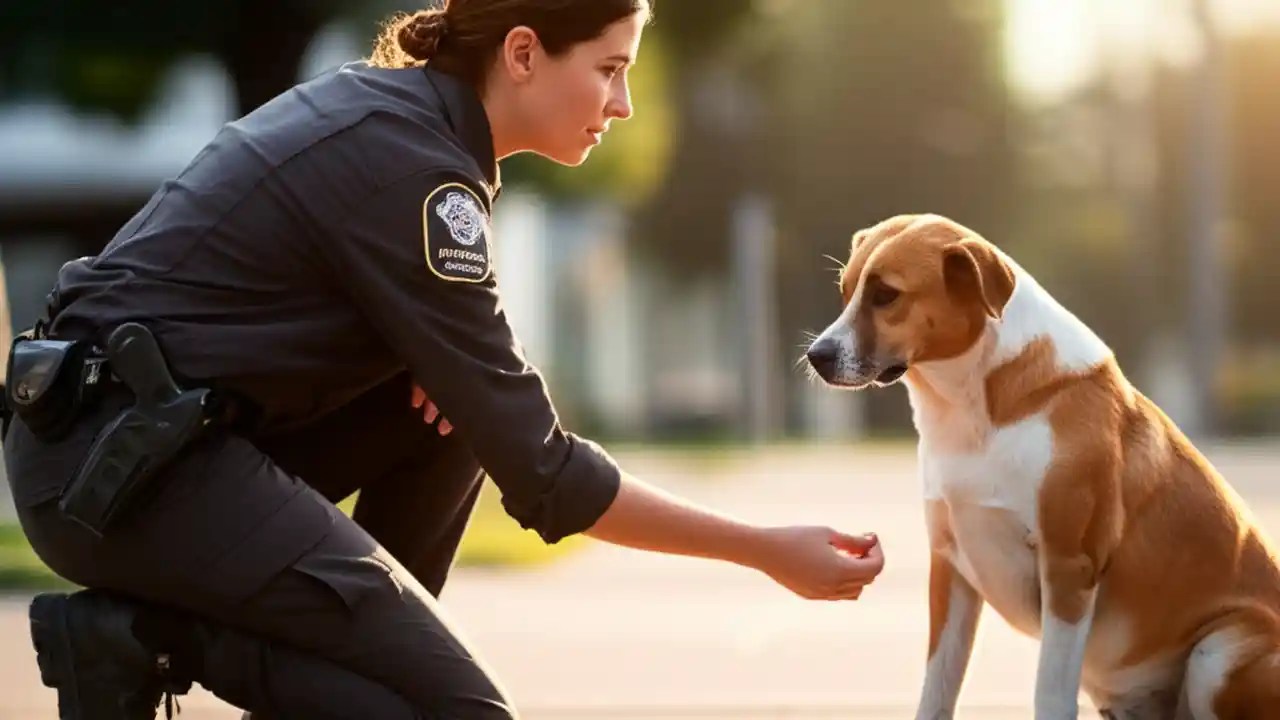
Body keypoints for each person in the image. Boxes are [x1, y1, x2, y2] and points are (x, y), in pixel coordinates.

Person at [3, 1, 886, 718]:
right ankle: (152, 638)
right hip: (114, 469)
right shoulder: (418, 173)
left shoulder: (407, 126)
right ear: (524, 52)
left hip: (142, 442)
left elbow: (496, 413)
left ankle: (316, 650)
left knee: (452, 420)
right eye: (610, 70)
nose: (621, 105)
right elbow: (547, 474)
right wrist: (766, 549)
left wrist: (435, 372)